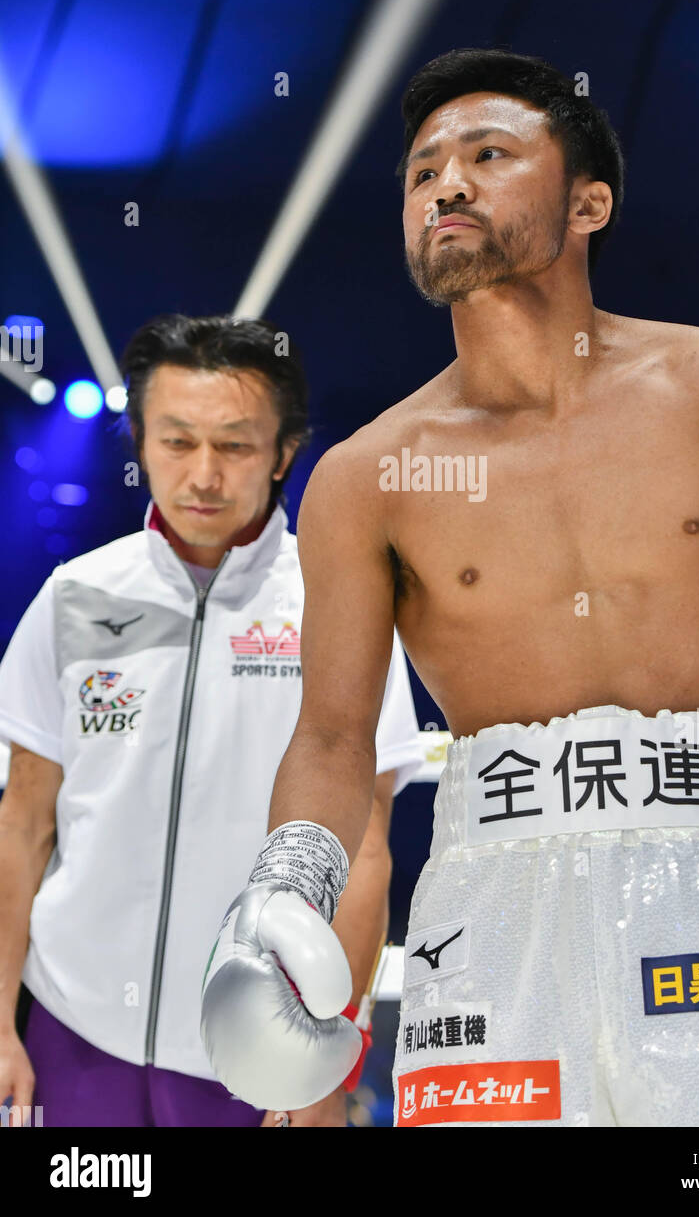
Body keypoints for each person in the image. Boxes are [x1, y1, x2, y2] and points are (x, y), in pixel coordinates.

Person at [202, 49, 699, 1128]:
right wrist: (285, 885)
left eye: (487, 155)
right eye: (421, 172)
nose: (445, 184)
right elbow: (330, 737)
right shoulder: (371, 475)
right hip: (493, 898)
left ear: (588, 200)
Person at [0, 314, 421, 1128]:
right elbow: (21, 824)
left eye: (233, 445)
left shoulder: (336, 607)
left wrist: (329, 1059)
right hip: (71, 1027)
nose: (202, 474)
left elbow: (366, 848)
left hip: (256, 1044)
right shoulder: (78, 594)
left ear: (283, 453)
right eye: (176, 440)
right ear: (141, 441)